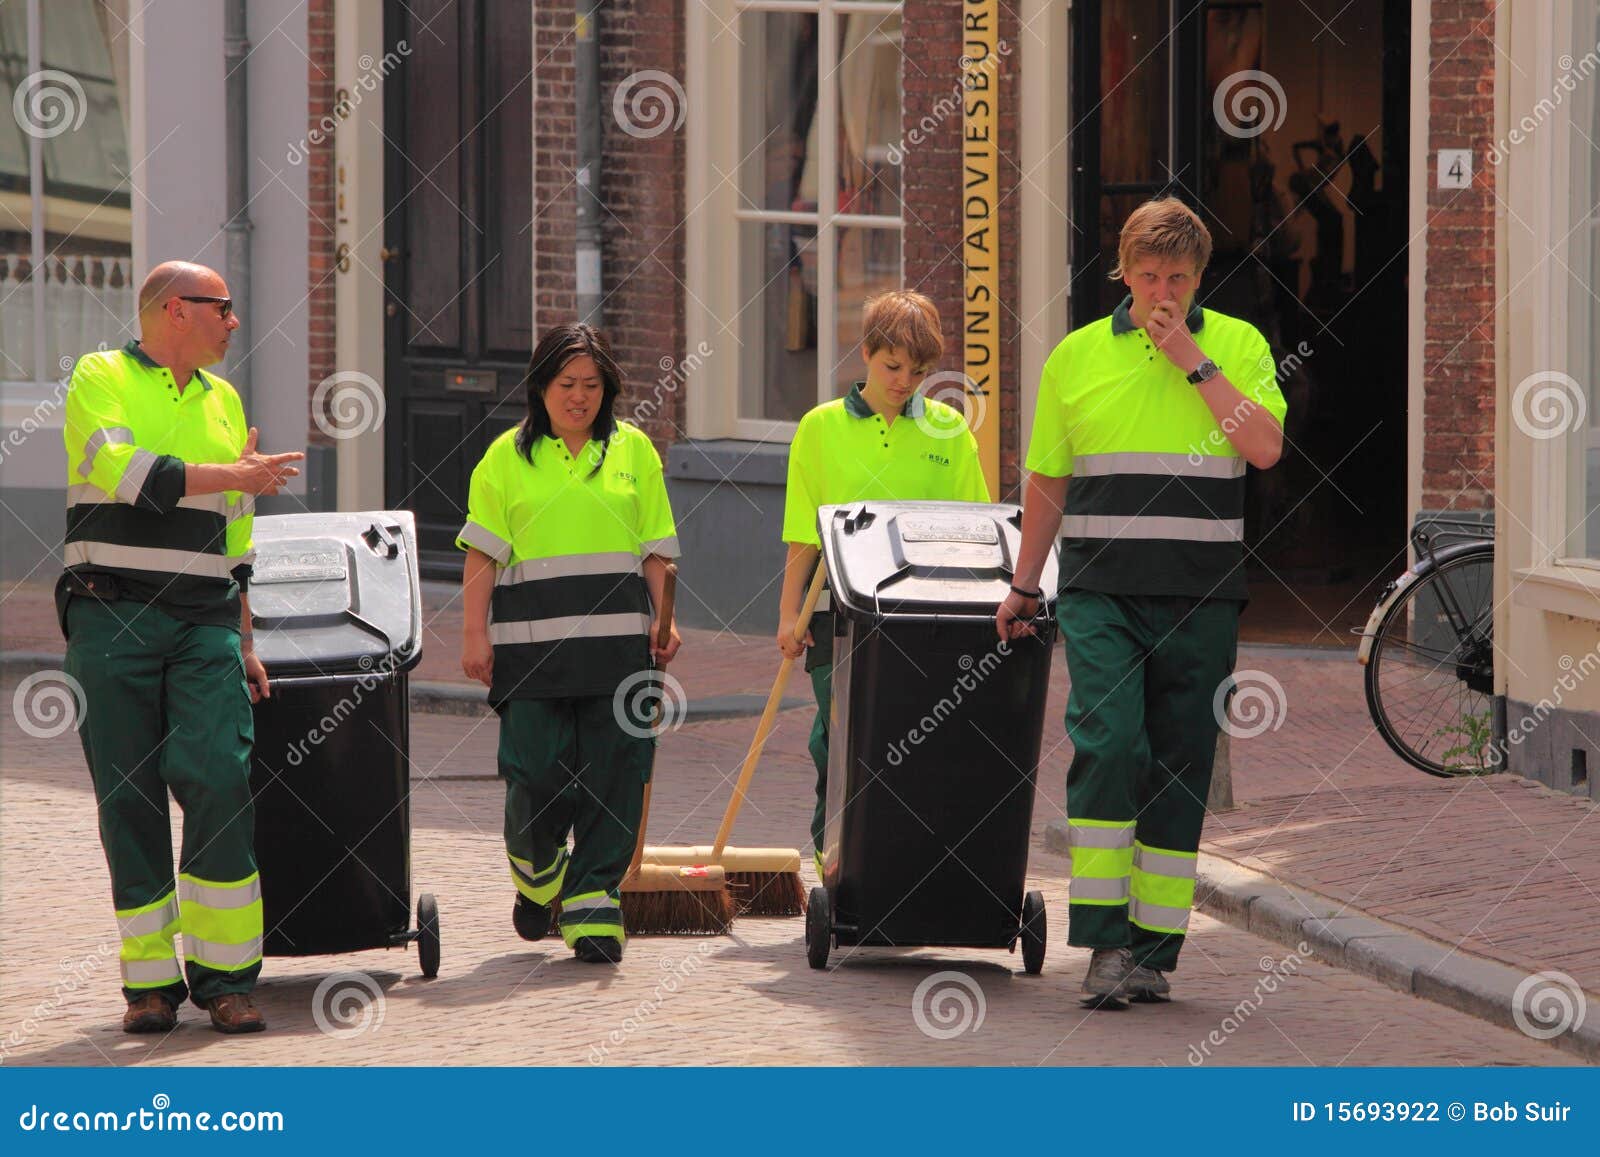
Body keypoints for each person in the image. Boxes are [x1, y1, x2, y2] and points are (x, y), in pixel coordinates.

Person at [996, 197, 1287, 1007]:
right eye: (1150, 275)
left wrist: (1192, 356)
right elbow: (1049, 479)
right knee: (1112, 744)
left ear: (1200, 280)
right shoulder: (1075, 357)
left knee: (1180, 764)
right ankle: (1102, 944)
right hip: (1101, 592)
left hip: (1202, 595)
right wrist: (1026, 583)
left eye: (1180, 279)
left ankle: (1154, 954)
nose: (1163, 292)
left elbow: (1263, 447)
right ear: (1120, 273)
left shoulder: (1237, 345)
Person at [60, 260, 303, 1035]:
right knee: (127, 798)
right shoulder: (99, 376)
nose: (234, 322)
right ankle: (151, 986)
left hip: (204, 621)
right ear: (174, 311)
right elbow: (125, 472)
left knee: (220, 777)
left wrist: (246, 636)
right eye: (221, 308)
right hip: (111, 614)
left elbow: (236, 535)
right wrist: (233, 472)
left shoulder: (224, 399)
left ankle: (227, 979)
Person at [458, 323, 681, 964]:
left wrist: (667, 622)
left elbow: (657, 550)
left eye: (591, 385)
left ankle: (593, 914)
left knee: (617, 777)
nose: (579, 397)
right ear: (541, 388)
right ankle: (538, 877)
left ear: (608, 389)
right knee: (534, 776)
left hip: (617, 656)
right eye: (566, 385)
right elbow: (481, 554)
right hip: (530, 659)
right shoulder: (504, 458)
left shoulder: (636, 451)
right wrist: (475, 635)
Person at [778, 290, 990, 876]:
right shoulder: (819, 429)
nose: (904, 381)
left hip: (927, 617)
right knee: (841, 743)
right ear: (867, 353)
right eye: (892, 366)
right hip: (836, 615)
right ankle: (835, 862)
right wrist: (786, 616)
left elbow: (975, 531)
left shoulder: (951, 430)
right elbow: (802, 533)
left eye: (918, 371)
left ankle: (901, 866)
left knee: (918, 744)